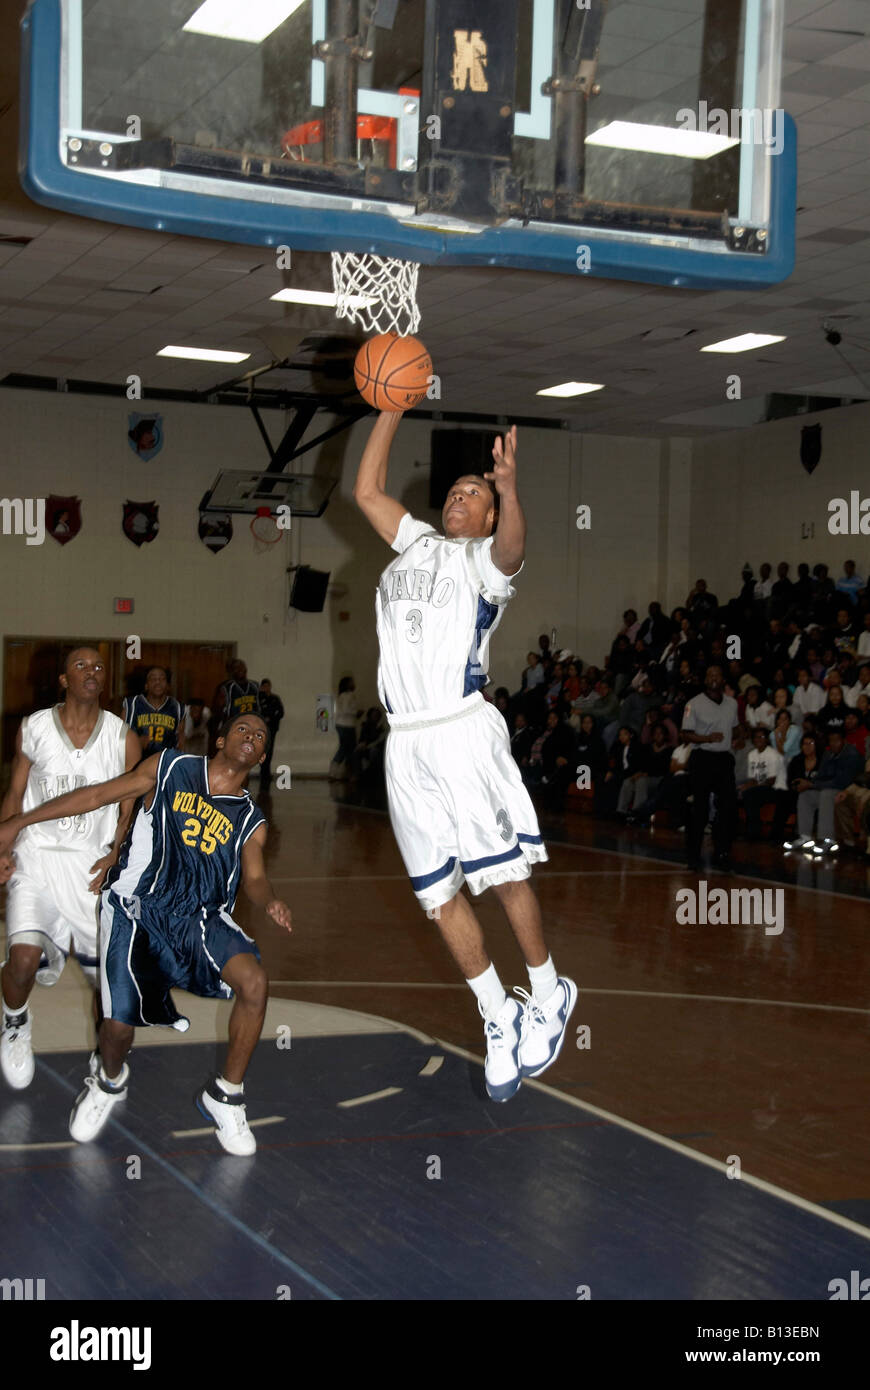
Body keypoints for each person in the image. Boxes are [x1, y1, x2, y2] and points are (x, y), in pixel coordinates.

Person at [353, 413, 575, 1103]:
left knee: (503, 876)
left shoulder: (483, 561)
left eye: (473, 494)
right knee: (437, 895)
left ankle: (548, 990)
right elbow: (365, 491)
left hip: (459, 729)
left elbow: (513, 548)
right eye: (455, 488)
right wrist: (390, 408)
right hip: (405, 740)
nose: (459, 496)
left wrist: (510, 491)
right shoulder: (415, 542)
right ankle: (498, 1015)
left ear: (485, 517)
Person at [0, 714, 293, 1154]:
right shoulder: (171, 768)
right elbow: (97, 795)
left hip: (199, 917)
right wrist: (21, 821)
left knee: (255, 983)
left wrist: (269, 898)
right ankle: (109, 1079)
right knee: (117, 1032)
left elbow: (253, 877)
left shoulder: (251, 818)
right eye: (242, 729)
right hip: (138, 911)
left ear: (264, 755)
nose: (251, 737)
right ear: (219, 739)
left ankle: (226, 1095)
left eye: (259, 736)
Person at [0, 649, 140, 1090]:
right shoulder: (34, 728)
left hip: (90, 869)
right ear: (62, 679)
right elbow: (15, 791)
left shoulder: (122, 737)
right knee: (22, 960)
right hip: (37, 858)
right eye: (81, 666)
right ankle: (15, 1021)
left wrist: (118, 852)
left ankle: (106, 1063)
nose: (92, 672)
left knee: (108, 983)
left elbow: (128, 809)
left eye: (99, 666)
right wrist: (5, 844)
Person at [681, 665, 739, 872]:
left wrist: (741, 735)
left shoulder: (732, 703)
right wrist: (707, 737)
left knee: (728, 807)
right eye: (710, 674)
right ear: (705, 680)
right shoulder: (693, 704)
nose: (714, 678)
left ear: (723, 679)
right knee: (700, 808)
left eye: (718, 674)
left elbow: (734, 727)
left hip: (724, 759)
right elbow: (685, 734)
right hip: (702, 757)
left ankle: (722, 853)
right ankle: (693, 855)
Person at [784, 729, 863, 855]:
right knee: (806, 795)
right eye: (831, 740)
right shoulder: (828, 753)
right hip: (828, 789)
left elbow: (841, 782)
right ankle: (805, 837)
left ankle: (828, 839)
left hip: (847, 791)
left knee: (826, 793)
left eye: (837, 740)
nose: (833, 743)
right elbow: (821, 776)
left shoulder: (851, 755)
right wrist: (808, 783)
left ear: (844, 740)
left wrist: (812, 784)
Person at [740, 727, 789, 842]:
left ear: (767, 739)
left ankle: (754, 832)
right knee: (741, 791)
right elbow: (753, 778)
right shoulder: (751, 754)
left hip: (778, 788)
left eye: (762, 737)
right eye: (756, 737)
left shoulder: (773, 754)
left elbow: (771, 781)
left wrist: (751, 786)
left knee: (750, 794)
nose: (759, 739)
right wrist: (746, 785)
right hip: (760, 788)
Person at [123, 666, 184, 758]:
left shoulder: (177, 707)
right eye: (153, 679)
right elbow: (119, 740)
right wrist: (135, 742)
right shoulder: (132, 705)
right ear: (146, 685)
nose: (158, 682)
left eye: (162, 679)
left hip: (165, 764)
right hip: (137, 763)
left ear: (168, 685)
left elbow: (181, 743)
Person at [211, 660, 260, 744]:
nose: (240, 670)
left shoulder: (254, 686)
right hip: (232, 726)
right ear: (231, 671)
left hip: (251, 725)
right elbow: (217, 708)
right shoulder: (226, 687)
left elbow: (259, 708)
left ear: (245, 669)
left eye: (241, 667)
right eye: (236, 668)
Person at [331, 676, 360, 780]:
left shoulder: (342, 696)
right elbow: (345, 710)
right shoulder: (348, 696)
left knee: (346, 749)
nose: (354, 684)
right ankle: (335, 772)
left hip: (344, 724)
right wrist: (356, 712)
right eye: (352, 682)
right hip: (346, 725)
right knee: (347, 749)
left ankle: (339, 772)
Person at [257, 678, 284, 787]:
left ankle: (266, 773)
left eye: (268, 686)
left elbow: (281, 712)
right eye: (264, 686)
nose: (266, 688)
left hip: (272, 728)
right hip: (261, 729)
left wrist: (271, 718)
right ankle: (263, 772)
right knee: (262, 750)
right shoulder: (258, 699)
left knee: (269, 751)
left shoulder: (275, 698)